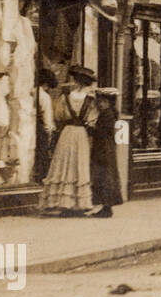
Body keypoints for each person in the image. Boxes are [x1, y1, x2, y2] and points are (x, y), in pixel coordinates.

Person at [41, 65, 98, 215]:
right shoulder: (91, 100)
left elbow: (59, 115)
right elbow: (92, 120)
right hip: (81, 134)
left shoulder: (65, 97)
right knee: (80, 164)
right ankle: (79, 202)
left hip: (67, 133)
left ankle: (60, 201)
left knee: (64, 163)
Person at [88, 87, 123, 218]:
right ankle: (105, 207)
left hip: (103, 149)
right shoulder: (112, 113)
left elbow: (101, 132)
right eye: (100, 101)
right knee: (106, 177)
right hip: (107, 149)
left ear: (109, 102)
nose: (101, 104)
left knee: (103, 178)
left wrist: (91, 129)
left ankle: (106, 207)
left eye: (104, 102)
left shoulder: (107, 114)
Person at [33, 67, 58, 184]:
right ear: (46, 84)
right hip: (40, 128)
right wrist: (50, 132)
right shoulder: (44, 97)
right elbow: (47, 118)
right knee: (41, 155)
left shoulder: (31, 91)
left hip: (29, 125)